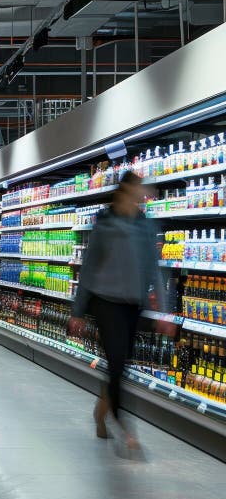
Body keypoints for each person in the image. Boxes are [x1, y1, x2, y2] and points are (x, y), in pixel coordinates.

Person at [69, 170, 175, 450]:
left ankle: (101, 412)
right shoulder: (105, 225)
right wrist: (77, 311)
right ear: (126, 191)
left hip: (132, 306)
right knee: (117, 362)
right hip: (106, 304)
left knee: (120, 367)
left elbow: (154, 270)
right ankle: (125, 427)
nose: (143, 194)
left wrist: (163, 312)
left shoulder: (145, 226)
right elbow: (89, 270)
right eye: (138, 189)